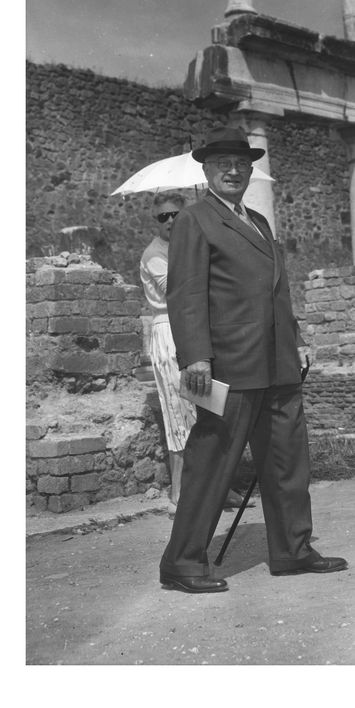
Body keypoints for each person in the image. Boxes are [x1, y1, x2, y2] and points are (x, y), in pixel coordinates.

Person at [159, 126, 347, 593]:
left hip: (279, 364)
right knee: (212, 462)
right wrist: (196, 358)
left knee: (287, 461)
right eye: (223, 162)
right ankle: (182, 562)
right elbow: (185, 296)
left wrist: (296, 340)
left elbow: (277, 291)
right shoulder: (195, 220)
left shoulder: (259, 221)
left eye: (241, 163)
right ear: (205, 169)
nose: (233, 169)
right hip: (227, 365)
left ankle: (292, 550)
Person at [140, 191, 247, 519]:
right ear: (155, 222)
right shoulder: (154, 255)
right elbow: (181, 288)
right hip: (171, 332)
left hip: (199, 330)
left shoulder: (190, 244)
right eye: (163, 217)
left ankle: (218, 484)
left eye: (176, 215)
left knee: (210, 408)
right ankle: (179, 494)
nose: (171, 221)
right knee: (181, 411)